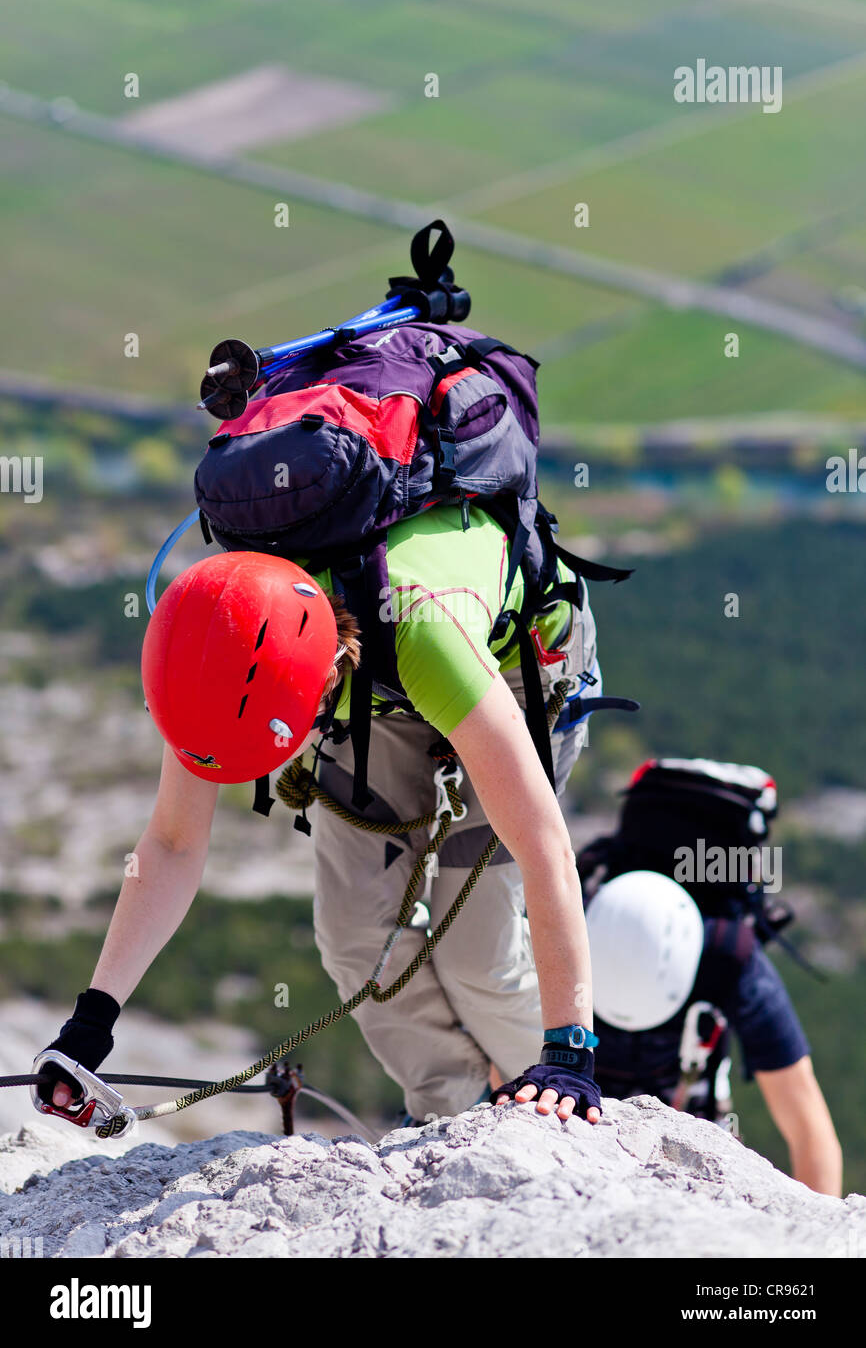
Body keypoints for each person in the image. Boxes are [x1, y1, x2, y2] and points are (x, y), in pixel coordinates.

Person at [37, 503, 611, 1130]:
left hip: (506, 670)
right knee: (356, 941)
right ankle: (458, 1120)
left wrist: (569, 1050)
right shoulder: (217, 637)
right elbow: (173, 844)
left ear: (322, 681)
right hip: (367, 689)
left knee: (477, 958)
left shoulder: (424, 634)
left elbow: (544, 849)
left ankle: (558, 1105)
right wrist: (90, 1025)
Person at [576, 760, 843, 1196]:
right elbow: (808, 1128)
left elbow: (502, 1051)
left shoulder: (574, 925)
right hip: (695, 1146)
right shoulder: (730, 958)